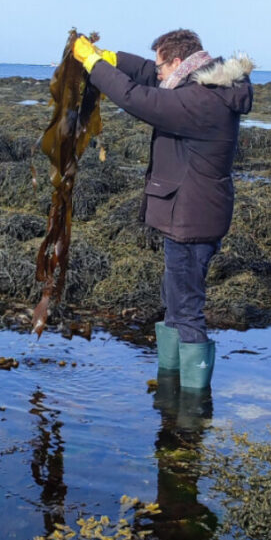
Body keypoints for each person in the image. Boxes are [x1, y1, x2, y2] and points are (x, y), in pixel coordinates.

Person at [72, 29, 254, 388]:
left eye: (161, 65)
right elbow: (147, 76)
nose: (156, 72)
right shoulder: (202, 84)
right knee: (174, 304)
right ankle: (171, 389)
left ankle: (192, 412)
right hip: (191, 215)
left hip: (191, 220)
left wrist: (94, 66)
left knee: (186, 311)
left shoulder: (200, 102)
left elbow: (140, 100)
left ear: (177, 63)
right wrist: (112, 57)